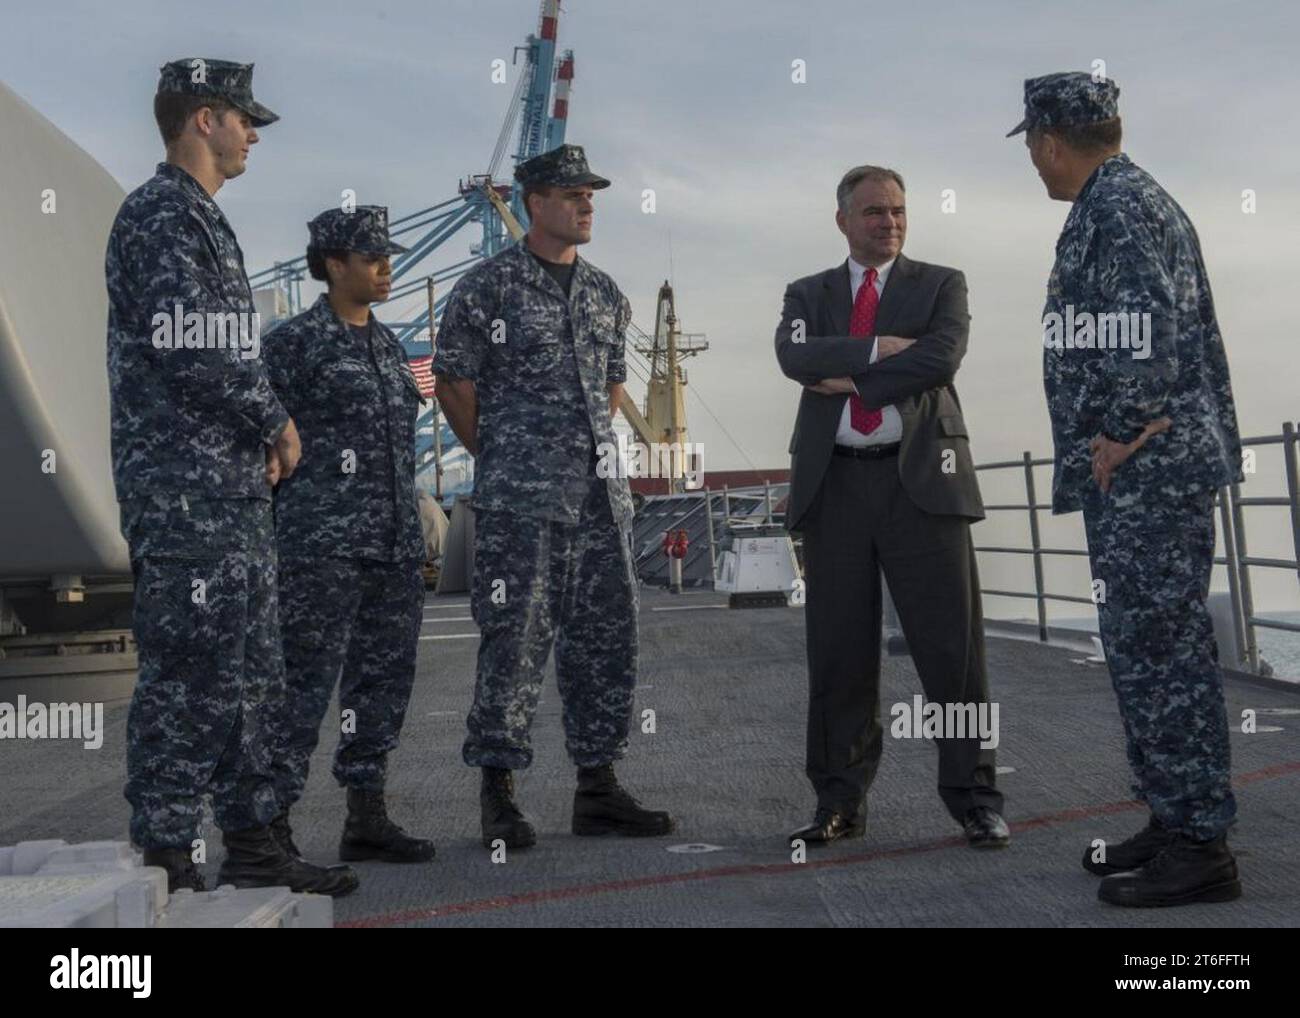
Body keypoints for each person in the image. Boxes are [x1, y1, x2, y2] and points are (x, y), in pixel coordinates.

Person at [106, 57, 353, 895]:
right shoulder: (161, 217)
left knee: (252, 673)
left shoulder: (202, 220)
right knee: (188, 671)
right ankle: (167, 856)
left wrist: (260, 437)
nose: (253, 133)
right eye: (244, 118)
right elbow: (194, 344)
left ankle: (255, 846)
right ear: (204, 118)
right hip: (185, 494)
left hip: (230, 492)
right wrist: (277, 418)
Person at [1011, 72, 1244, 906]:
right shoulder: (1124, 199)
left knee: (1162, 652)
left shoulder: (1116, 207)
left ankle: (1201, 846)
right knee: (1147, 652)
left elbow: (1147, 322)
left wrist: (1122, 428)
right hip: (1139, 471)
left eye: (1034, 149)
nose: (1035, 165)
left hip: (1148, 471)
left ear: (1049, 141)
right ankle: (1174, 819)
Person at [433, 144, 673, 849]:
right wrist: (506, 456)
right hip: (523, 503)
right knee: (516, 641)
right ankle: (499, 794)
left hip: (601, 501)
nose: (587, 202)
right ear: (533, 201)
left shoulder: (605, 292)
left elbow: (612, 386)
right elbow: (454, 384)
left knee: (607, 641)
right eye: (573, 193)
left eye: (591, 193)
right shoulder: (488, 289)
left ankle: (597, 786)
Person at [774, 164, 1008, 850]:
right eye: (875, 211)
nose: (890, 222)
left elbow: (941, 358)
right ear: (843, 219)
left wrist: (845, 375)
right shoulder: (806, 292)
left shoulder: (941, 284)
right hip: (835, 487)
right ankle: (838, 802)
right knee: (839, 654)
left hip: (924, 486)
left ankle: (975, 800)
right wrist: (878, 350)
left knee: (952, 653)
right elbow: (792, 356)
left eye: (899, 211)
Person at [261, 206, 434, 866]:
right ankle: (270, 829)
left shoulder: (389, 347)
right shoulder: (292, 345)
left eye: (387, 255)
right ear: (334, 264)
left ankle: (366, 815)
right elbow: (261, 448)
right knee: (301, 689)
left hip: (391, 548)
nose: (385, 267)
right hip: (319, 547)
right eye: (372, 257)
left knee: (382, 684)